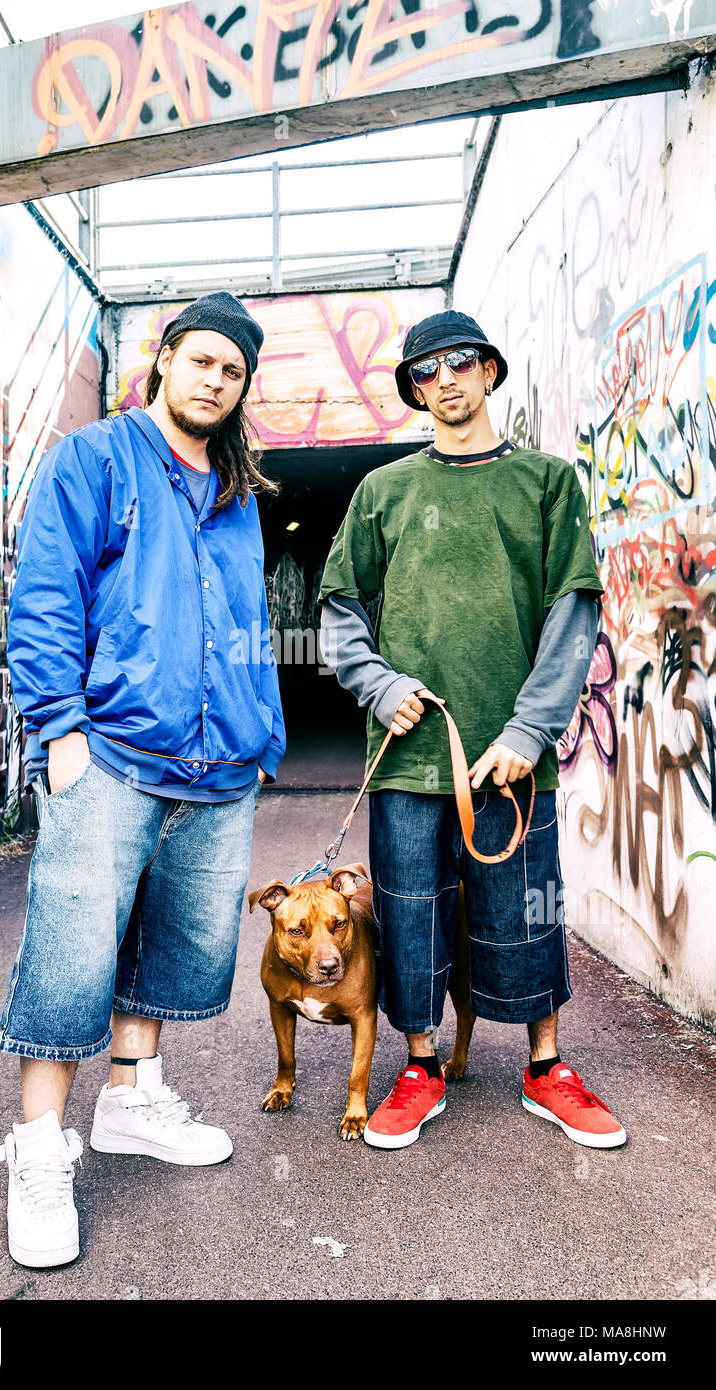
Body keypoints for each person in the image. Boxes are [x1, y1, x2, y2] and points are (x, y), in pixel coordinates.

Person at [0, 292, 285, 1267]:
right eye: (201, 360)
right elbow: (44, 598)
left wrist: (263, 733)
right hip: (110, 755)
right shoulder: (95, 458)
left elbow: (238, 621)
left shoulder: (237, 489)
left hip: (218, 767)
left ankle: (131, 1096)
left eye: (232, 370)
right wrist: (59, 731)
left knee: (173, 947)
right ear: (162, 360)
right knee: (73, 952)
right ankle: (39, 1151)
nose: (215, 379)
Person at [318, 310, 626, 1152]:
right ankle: (418, 1068)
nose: (444, 379)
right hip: (410, 758)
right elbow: (339, 612)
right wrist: (379, 685)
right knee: (411, 916)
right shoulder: (384, 492)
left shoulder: (546, 483)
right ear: (415, 391)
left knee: (527, 912)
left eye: (459, 363)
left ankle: (545, 1068)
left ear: (489, 370)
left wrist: (530, 732)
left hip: (514, 763)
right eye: (425, 371)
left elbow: (574, 614)